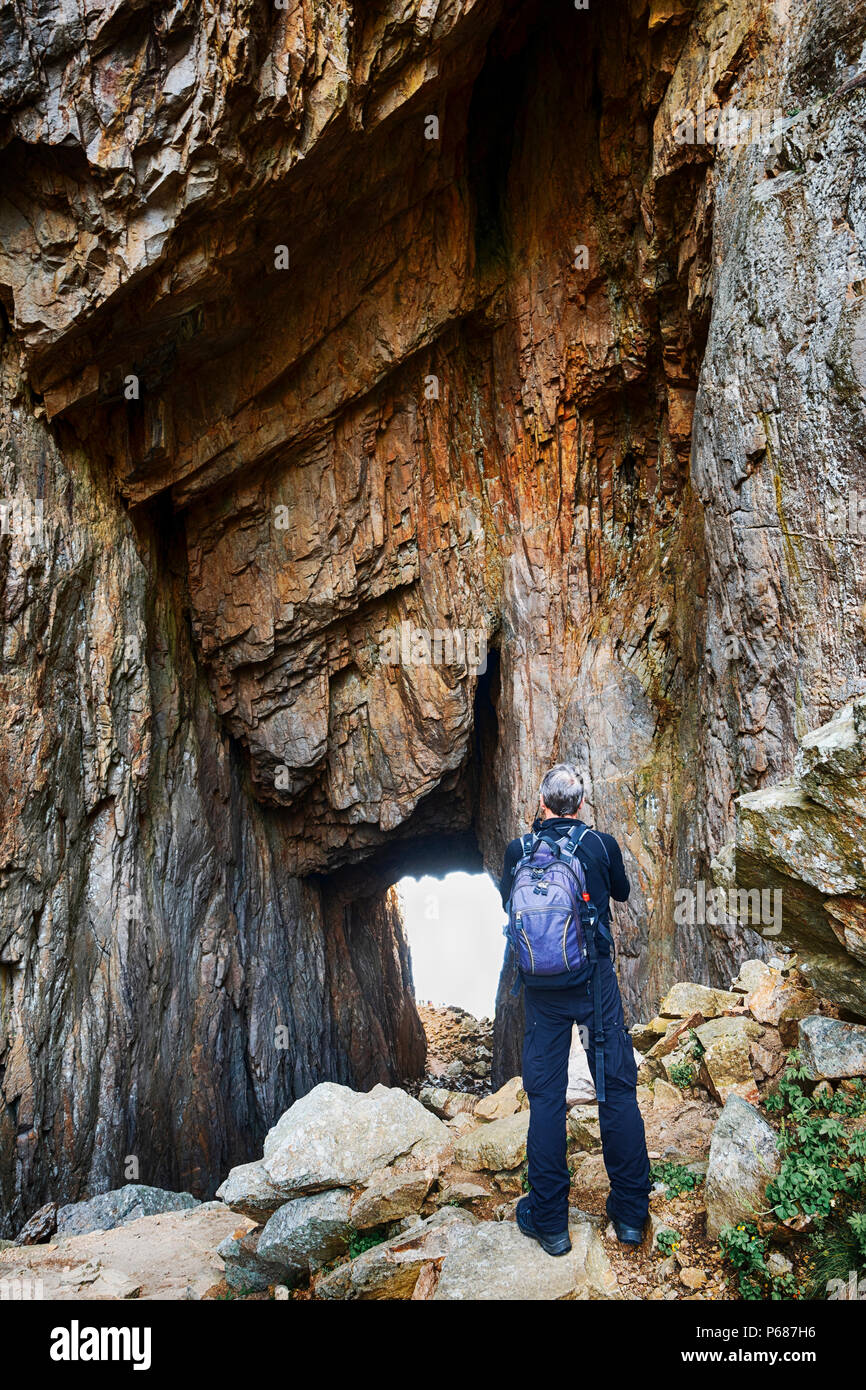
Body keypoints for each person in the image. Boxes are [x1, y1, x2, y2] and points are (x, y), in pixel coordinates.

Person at [499, 762, 651, 1256]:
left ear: (542, 802)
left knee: (546, 1100)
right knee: (616, 1090)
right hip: (593, 984)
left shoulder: (518, 850)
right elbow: (622, 893)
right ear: (581, 804)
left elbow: (510, 905)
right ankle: (629, 1214)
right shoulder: (599, 845)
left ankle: (550, 1222)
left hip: (541, 992)